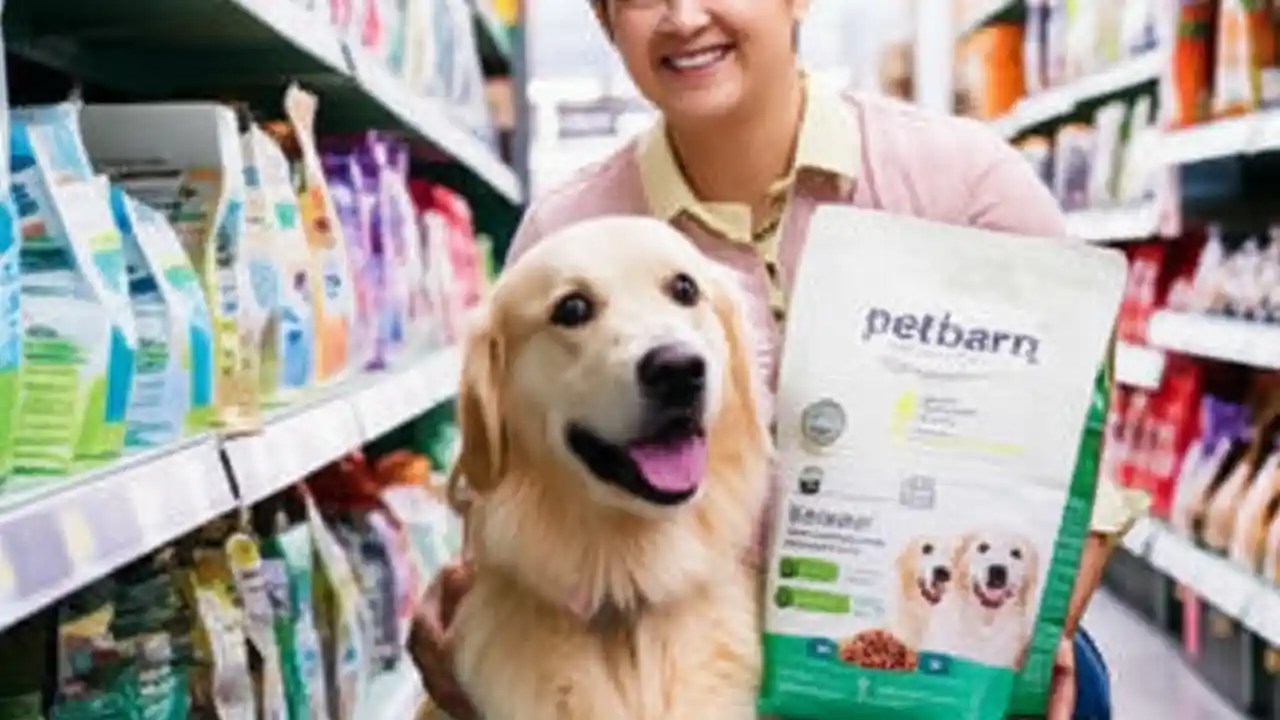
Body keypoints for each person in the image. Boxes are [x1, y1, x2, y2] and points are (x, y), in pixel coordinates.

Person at [411, 0, 1147, 718]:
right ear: (604, 19)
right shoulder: (563, 235)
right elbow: (502, 489)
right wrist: (477, 648)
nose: (683, 16)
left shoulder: (964, 182)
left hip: (934, 664)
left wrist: (1024, 646)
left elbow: (1084, 457)